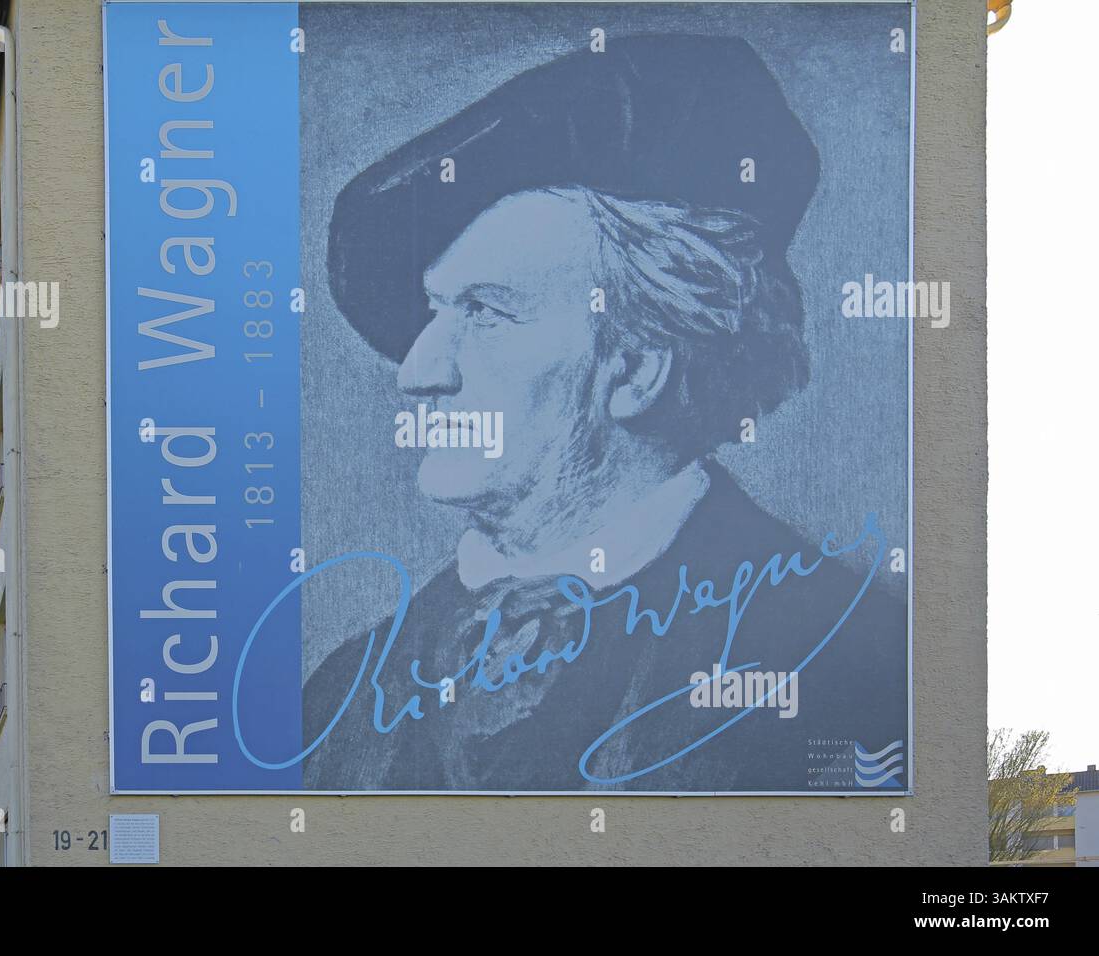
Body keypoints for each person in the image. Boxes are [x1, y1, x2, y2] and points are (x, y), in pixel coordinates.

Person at [303, 35, 906, 792]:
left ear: (637, 369)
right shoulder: (337, 693)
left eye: (486, 312)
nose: (419, 371)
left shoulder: (847, 654)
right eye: (433, 311)